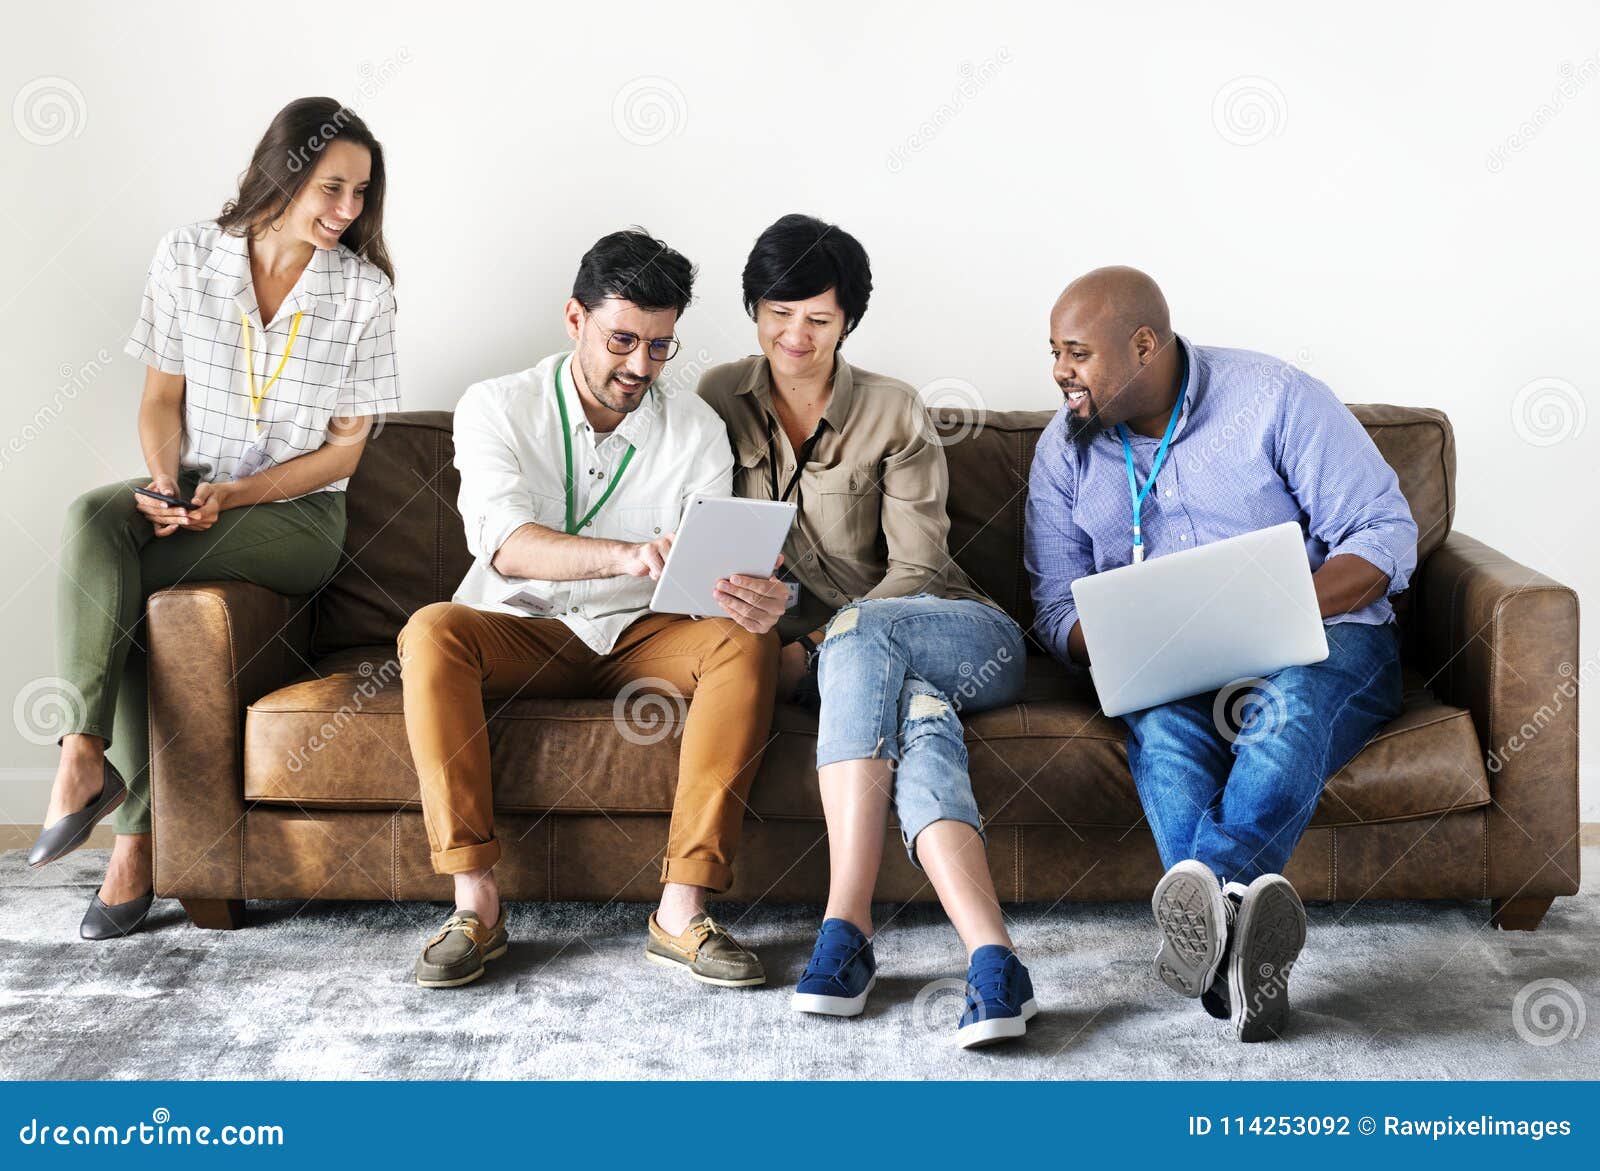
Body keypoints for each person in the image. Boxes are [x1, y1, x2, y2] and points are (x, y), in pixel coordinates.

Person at [28, 97, 399, 940]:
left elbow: (344, 455)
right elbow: (161, 400)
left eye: (361, 193)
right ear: (283, 172)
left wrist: (234, 496)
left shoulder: (364, 295)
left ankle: (131, 834)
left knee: (123, 578)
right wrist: (166, 482)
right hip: (198, 482)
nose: (348, 209)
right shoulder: (187, 256)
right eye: (332, 187)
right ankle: (84, 750)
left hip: (298, 517)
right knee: (95, 520)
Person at [1025, 266, 1416, 1041]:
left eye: (1077, 353)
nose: (1061, 372)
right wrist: (1134, 634)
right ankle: (1242, 954)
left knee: (1286, 712)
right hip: (1174, 663)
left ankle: (1211, 913)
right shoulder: (1063, 450)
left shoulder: (1275, 397)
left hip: (1323, 639)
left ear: (1144, 345)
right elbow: (1054, 610)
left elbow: (1383, 535)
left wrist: (1273, 609)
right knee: (1164, 732)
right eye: (1054, 353)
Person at [400, 229, 784, 990]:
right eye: (622, 341)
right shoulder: (495, 406)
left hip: (643, 634)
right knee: (431, 630)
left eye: (661, 346)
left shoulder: (697, 430)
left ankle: (681, 911)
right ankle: (475, 903)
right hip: (522, 627)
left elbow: (706, 571)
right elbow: (506, 546)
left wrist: (753, 594)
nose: (641, 366)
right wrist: (624, 554)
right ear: (574, 319)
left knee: (746, 642)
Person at [698, 214, 1036, 1049]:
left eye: (818, 317)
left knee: (860, 635)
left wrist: (812, 650)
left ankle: (845, 926)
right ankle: (995, 960)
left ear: (848, 320)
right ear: (752, 309)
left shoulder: (894, 409)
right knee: (919, 719)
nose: (796, 335)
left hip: (960, 635)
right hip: (860, 675)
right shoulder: (716, 398)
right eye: (778, 313)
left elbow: (918, 569)